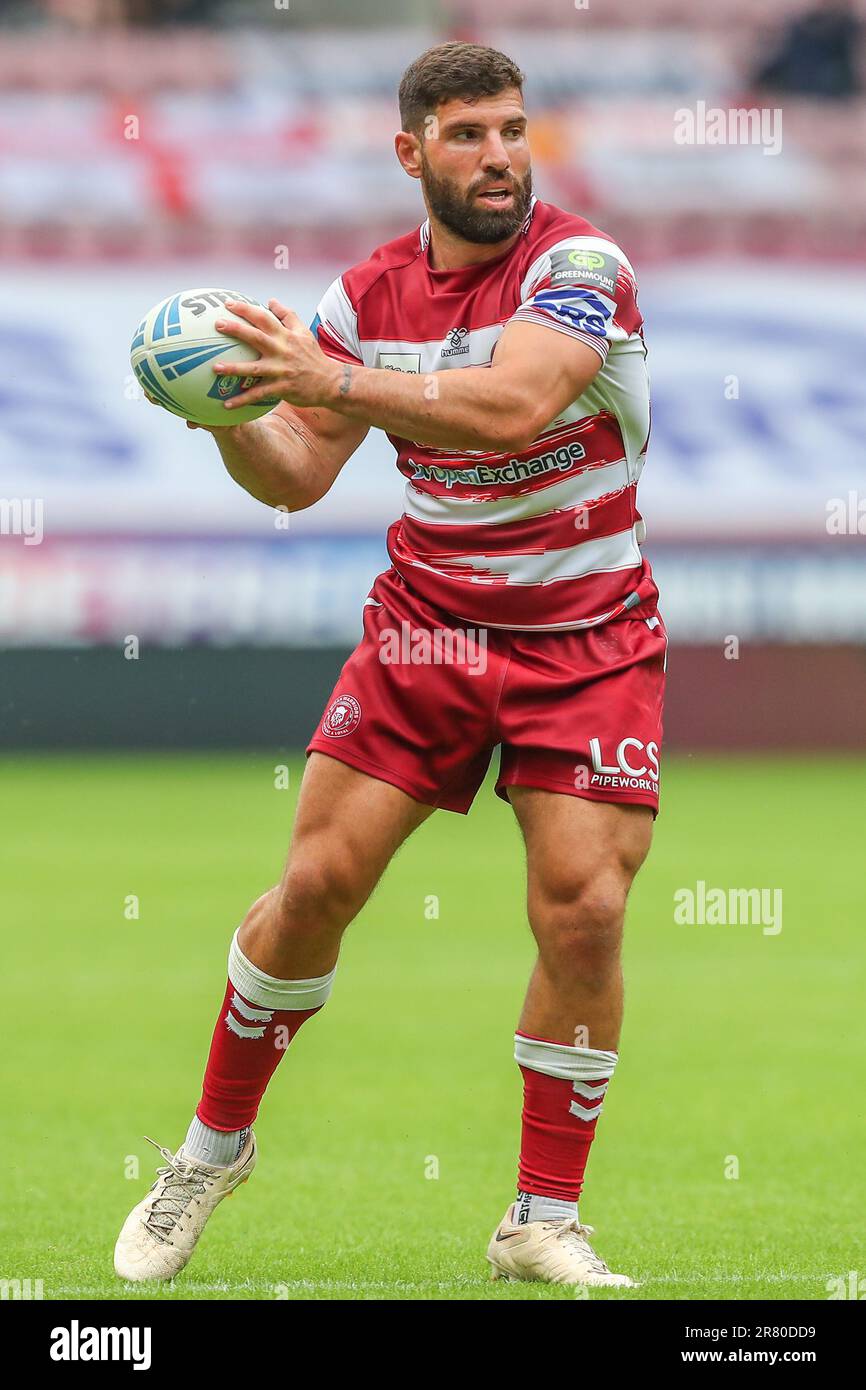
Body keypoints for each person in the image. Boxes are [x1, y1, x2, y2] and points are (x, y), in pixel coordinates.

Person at [115, 40, 665, 1288]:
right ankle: (209, 1152)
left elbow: (517, 403)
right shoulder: (364, 296)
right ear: (411, 152)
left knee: (584, 907)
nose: (497, 158)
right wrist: (229, 416)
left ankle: (537, 1219)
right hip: (427, 626)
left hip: (584, 638)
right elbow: (301, 469)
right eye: (467, 136)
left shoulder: (581, 267)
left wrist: (329, 377)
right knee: (315, 885)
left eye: (512, 131)